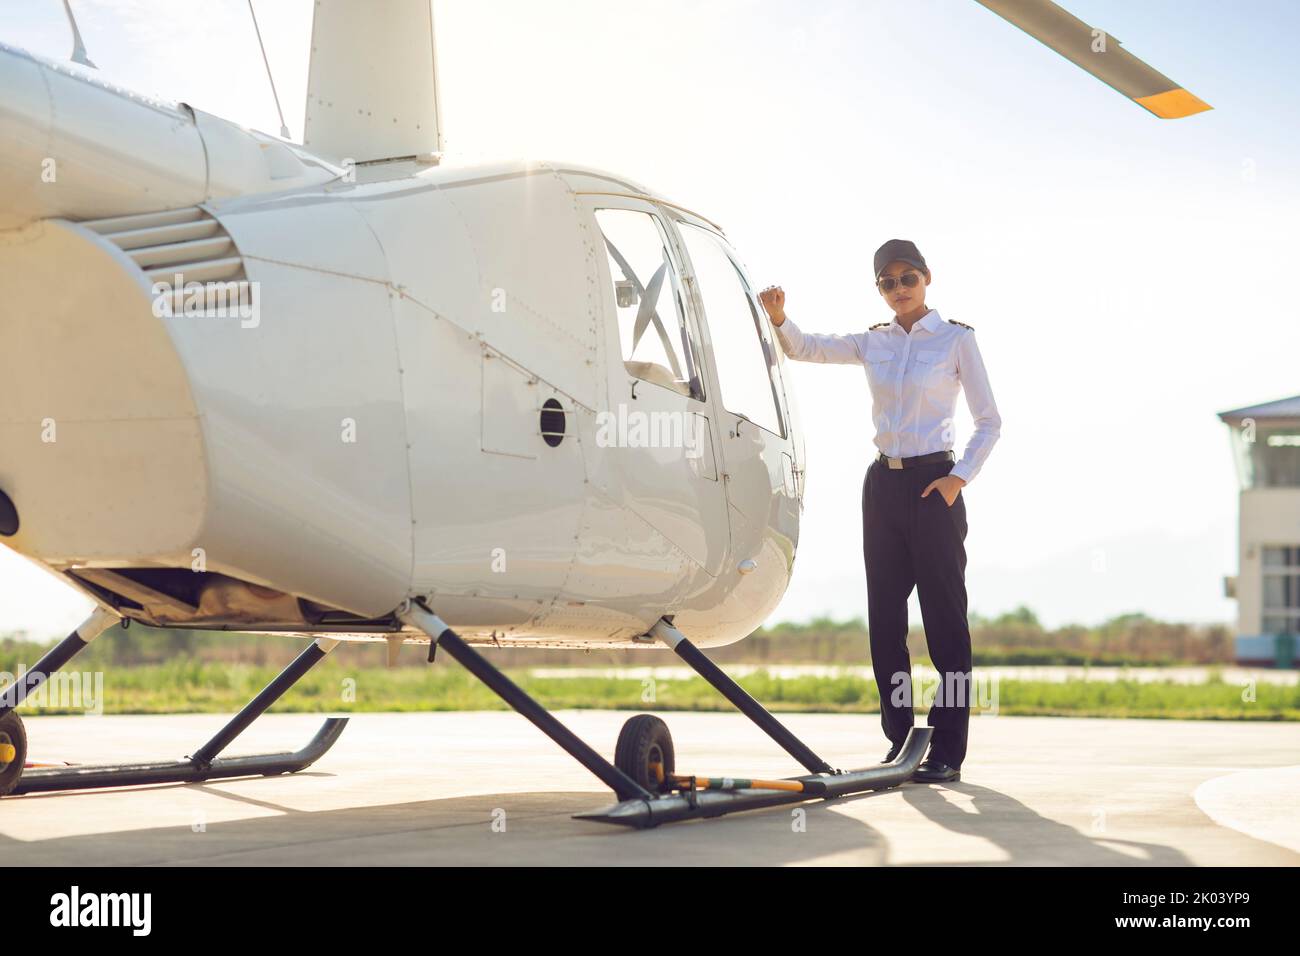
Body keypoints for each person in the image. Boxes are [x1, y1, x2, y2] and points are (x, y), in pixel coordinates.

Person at [758, 239, 1001, 783]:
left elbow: (990, 421)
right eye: (887, 282)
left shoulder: (957, 340)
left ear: (927, 277)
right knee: (886, 623)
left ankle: (947, 749)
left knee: (946, 625)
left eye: (906, 278)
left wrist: (956, 479)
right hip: (882, 488)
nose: (898, 289)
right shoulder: (874, 341)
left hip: (934, 486)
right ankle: (900, 739)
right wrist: (779, 318)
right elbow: (805, 347)